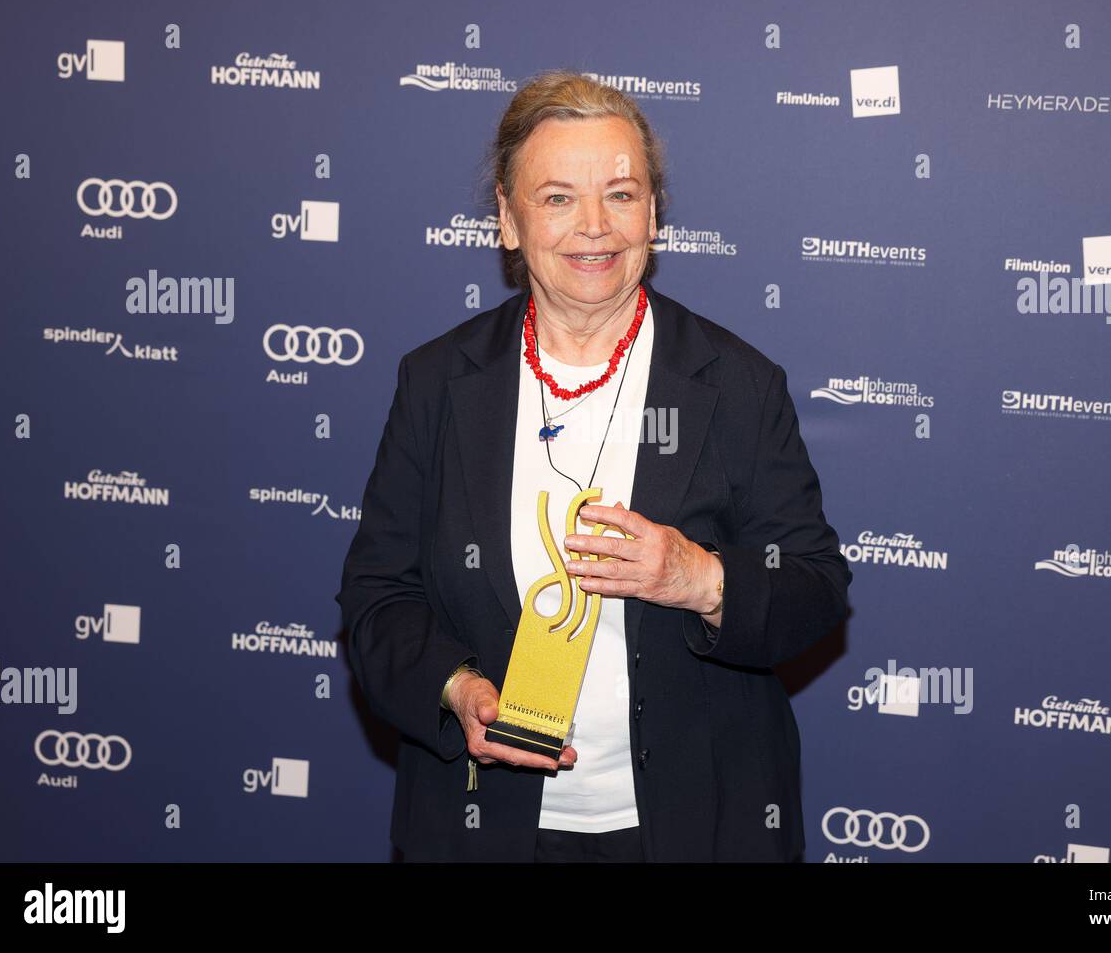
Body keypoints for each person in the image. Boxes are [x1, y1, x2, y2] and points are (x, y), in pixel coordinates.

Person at [336, 69, 852, 862]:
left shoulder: (738, 382)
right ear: (507, 220)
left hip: (695, 829)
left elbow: (816, 589)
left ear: (654, 214)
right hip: (487, 830)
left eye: (620, 193)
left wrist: (699, 576)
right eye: (556, 197)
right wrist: (457, 689)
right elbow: (379, 596)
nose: (594, 227)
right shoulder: (437, 382)